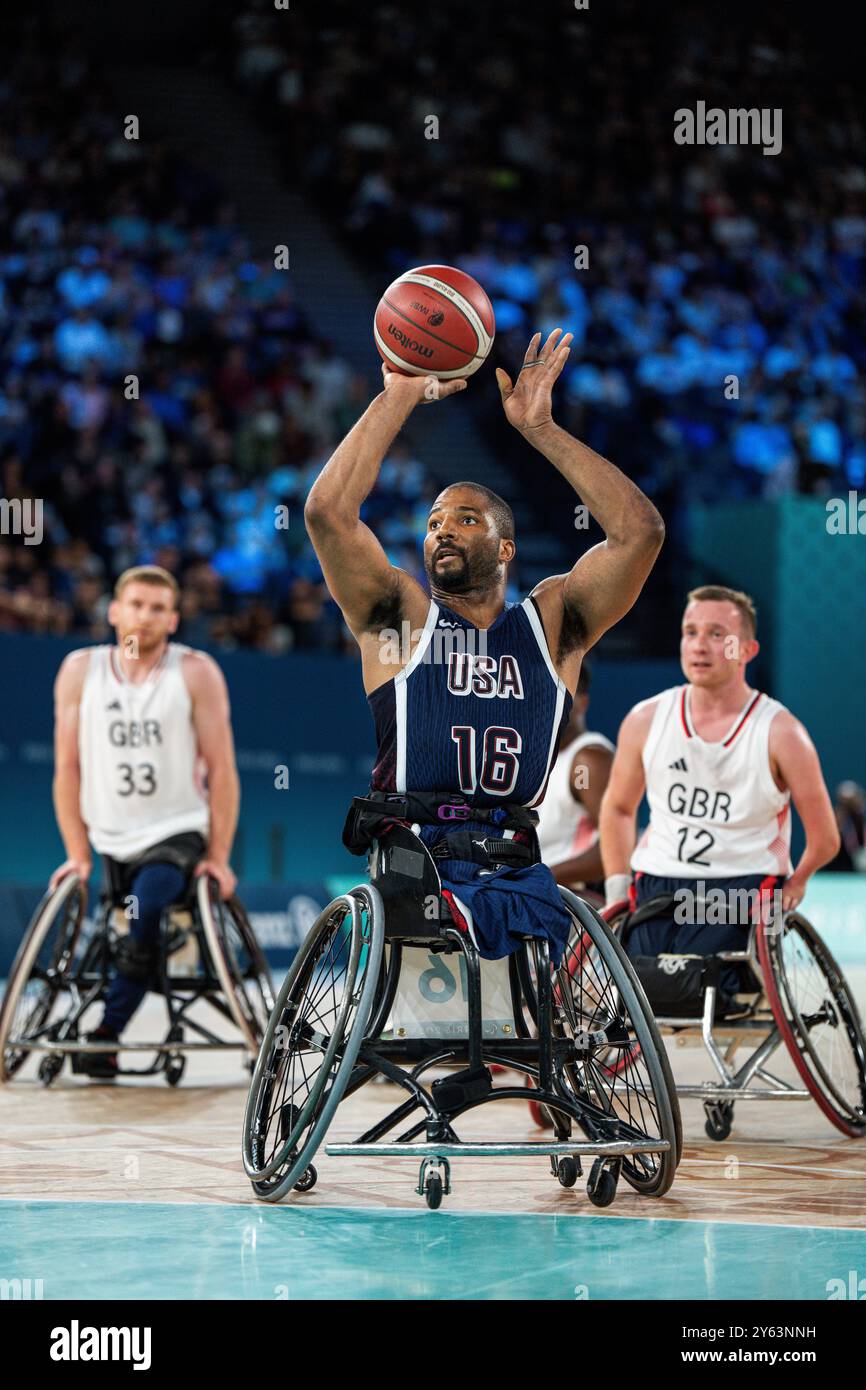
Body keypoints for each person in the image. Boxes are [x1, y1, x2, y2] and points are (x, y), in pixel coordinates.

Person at [304, 329, 664, 963]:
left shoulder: (553, 624)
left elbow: (640, 533)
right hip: (416, 858)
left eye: (466, 519)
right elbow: (327, 514)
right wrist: (399, 396)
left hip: (516, 860)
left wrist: (541, 430)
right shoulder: (401, 620)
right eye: (434, 522)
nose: (443, 530)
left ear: (505, 549)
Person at [599, 584, 841, 997]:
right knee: (633, 992)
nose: (699, 645)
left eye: (716, 634)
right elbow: (619, 807)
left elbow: (826, 838)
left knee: (703, 991)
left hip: (740, 886)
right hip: (657, 881)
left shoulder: (782, 732)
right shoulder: (645, 719)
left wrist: (798, 882)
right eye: (690, 632)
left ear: (747, 649)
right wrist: (617, 889)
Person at [50, 565, 240, 1077]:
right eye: (135, 604)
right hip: (109, 837)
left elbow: (222, 770)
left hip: (175, 833)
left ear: (173, 619)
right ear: (114, 611)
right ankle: (110, 999)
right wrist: (77, 854)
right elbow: (67, 768)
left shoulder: (194, 671)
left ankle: (108, 1032)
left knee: (148, 905)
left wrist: (219, 857)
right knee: (130, 919)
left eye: (158, 608)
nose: (145, 616)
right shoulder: (80, 670)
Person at [535, 661, 613, 898]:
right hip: (535, 893)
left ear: (582, 703)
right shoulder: (535, 758)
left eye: (560, 691)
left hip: (572, 901)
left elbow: (616, 845)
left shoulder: (586, 761)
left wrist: (542, 878)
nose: (549, 700)